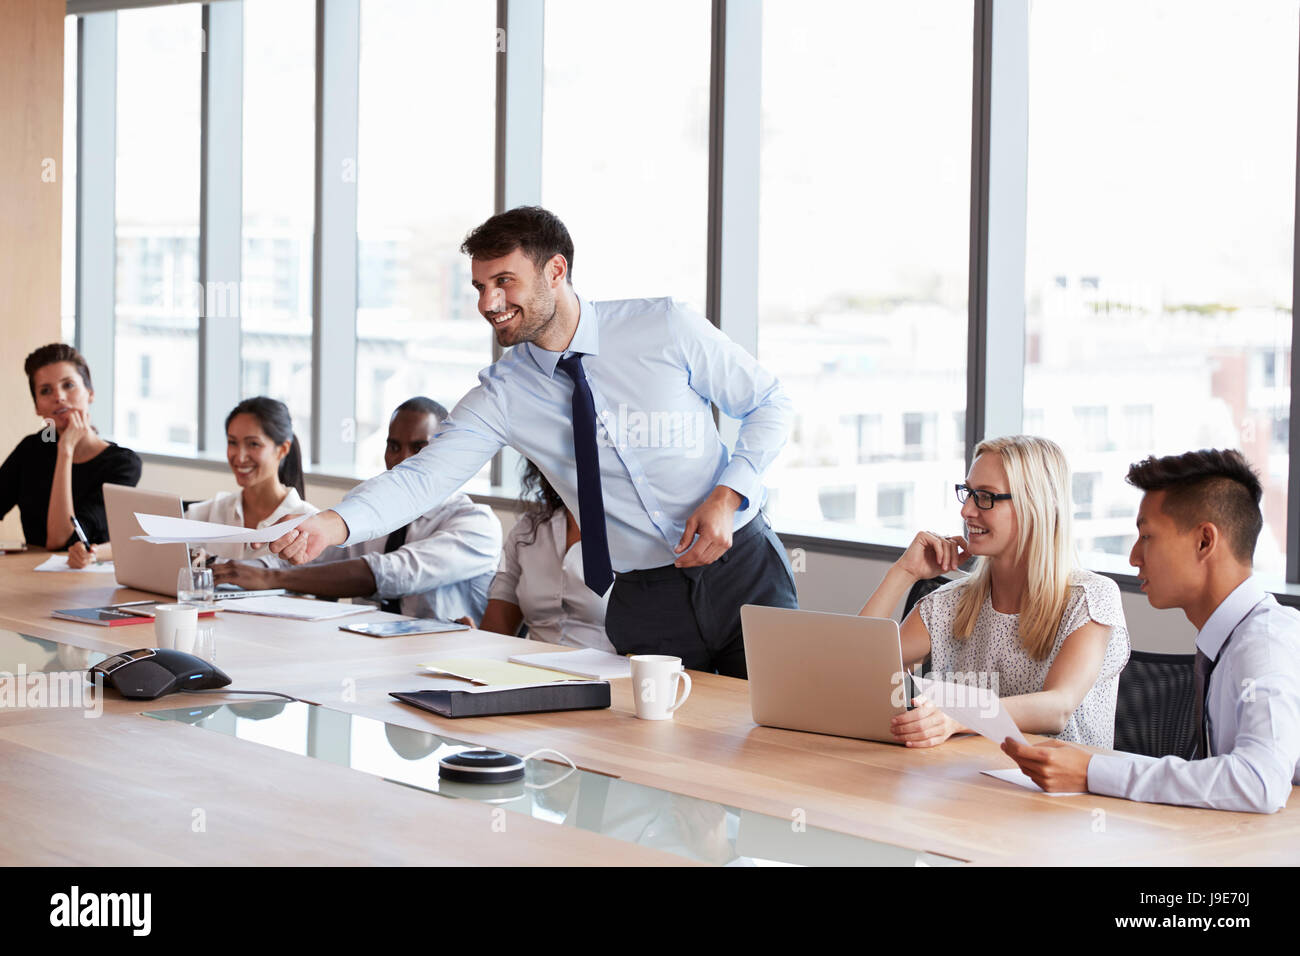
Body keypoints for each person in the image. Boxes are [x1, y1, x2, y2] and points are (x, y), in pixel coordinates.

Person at [268, 206, 797, 677]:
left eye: (504, 281)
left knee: (784, 733)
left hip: (743, 569)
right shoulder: (504, 392)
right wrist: (332, 523)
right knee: (664, 757)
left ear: (556, 271)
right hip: (644, 595)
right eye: (479, 286)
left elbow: (769, 403)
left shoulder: (663, 326)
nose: (488, 302)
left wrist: (729, 495)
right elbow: (423, 478)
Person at [1003, 449, 1300, 813]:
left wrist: (1093, 772)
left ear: (1205, 542)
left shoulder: (1264, 644)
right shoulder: (1230, 641)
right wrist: (1089, 765)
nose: (1133, 556)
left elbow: (1258, 782)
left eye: (1147, 536)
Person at [858, 434, 1130, 748]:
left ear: (1035, 506)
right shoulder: (950, 605)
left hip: (1062, 791)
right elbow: (854, 670)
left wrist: (958, 717)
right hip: (970, 783)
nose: (967, 511)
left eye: (985, 497)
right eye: (968, 493)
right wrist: (903, 573)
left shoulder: (1090, 599)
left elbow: (1058, 707)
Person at [214, 398, 501, 622]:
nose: (404, 460)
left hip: (439, 671)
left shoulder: (476, 524)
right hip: (365, 655)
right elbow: (308, 556)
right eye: (394, 446)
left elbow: (390, 574)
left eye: (419, 447)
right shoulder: (367, 512)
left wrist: (270, 580)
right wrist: (231, 576)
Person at [0, 343, 141, 568]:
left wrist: (65, 451)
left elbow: (60, 540)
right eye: (46, 390)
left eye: (68, 385)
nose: (59, 397)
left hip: (87, 582)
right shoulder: (31, 449)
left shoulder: (121, 464)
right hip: (30, 577)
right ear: (37, 406)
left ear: (90, 393)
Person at [478, 459, 613, 652]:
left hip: (608, 675)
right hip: (532, 671)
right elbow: (494, 632)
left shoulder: (633, 537)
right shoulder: (527, 530)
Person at [185, 397, 316, 560]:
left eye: (253, 444)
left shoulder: (309, 523)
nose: (240, 457)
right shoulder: (206, 514)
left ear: (282, 449)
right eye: (232, 442)